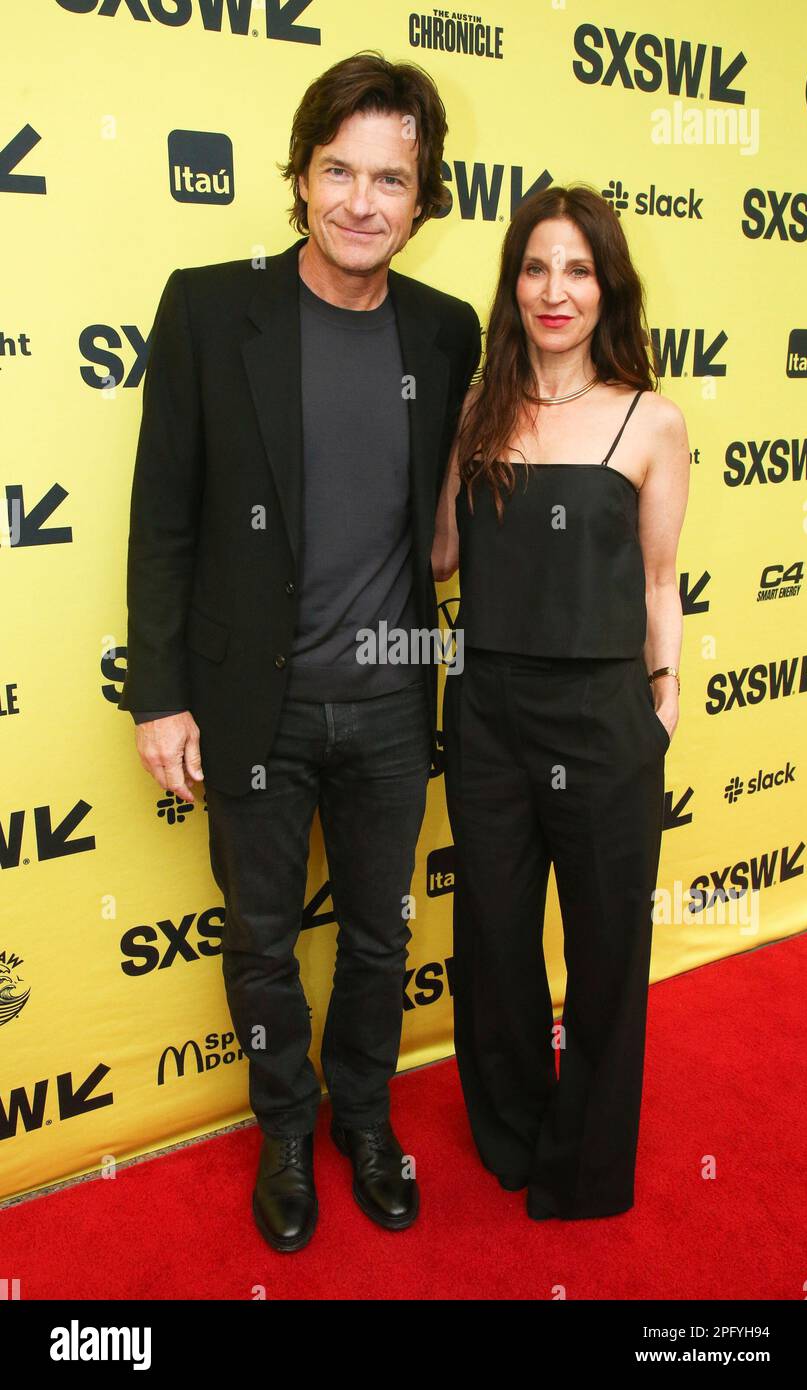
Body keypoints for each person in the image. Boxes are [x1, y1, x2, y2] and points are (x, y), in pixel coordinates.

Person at [119, 52, 481, 1252]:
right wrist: (161, 697)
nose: (362, 202)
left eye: (392, 178)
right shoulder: (212, 309)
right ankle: (285, 1127)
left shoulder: (445, 330)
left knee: (380, 935)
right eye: (340, 171)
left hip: (388, 704)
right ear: (300, 176)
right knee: (263, 942)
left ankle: (365, 1121)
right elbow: (162, 517)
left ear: (422, 201)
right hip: (251, 707)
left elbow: (443, 520)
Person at [432, 183, 690, 1220]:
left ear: (605, 287)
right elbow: (445, 556)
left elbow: (660, 581)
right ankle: (509, 1132)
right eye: (536, 267)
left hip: (601, 713)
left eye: (577, 269)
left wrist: (662, 698)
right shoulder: (477, 408)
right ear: (514, 284)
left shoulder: (649, 419)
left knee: (605, 954)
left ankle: (583, 1167)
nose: (555, 289)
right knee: (493, 940)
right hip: (488, 708)